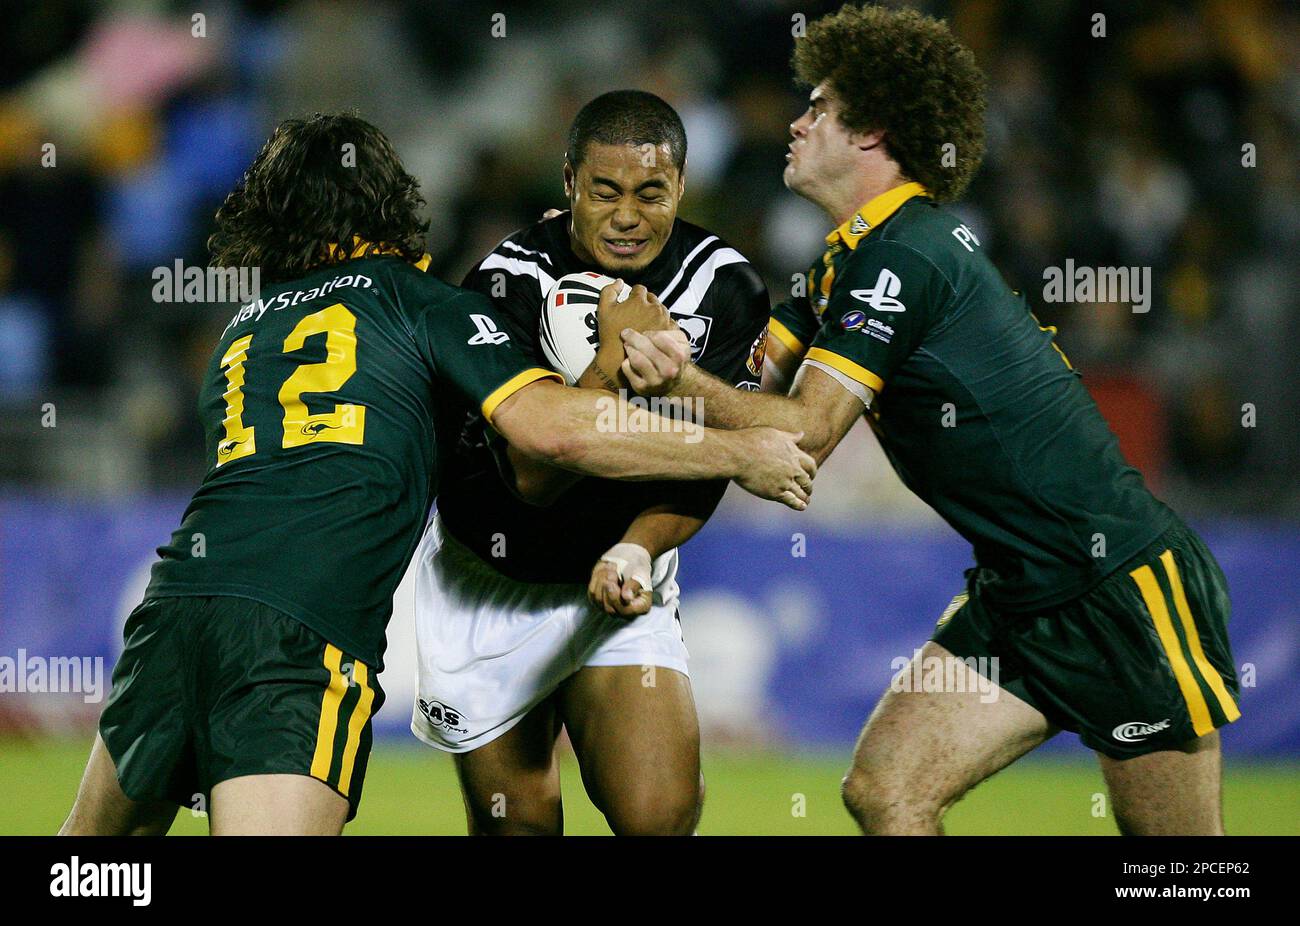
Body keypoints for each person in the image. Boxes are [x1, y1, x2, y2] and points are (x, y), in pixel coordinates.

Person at [58, 112, 815, 836]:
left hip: (175, 606)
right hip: (300, 629)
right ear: (388, 203)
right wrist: (737, 449)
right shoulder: (420, 301)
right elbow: (551, 435)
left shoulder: (244, 329)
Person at [614, 4, 1240, 835]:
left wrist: (675, 379)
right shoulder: (846, 258)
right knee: (886, 793)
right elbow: (744, 375)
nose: (796, 123)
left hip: (1116, 585)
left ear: (872, 131)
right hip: (1019, 592)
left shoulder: (904, 255)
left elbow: (803, 430)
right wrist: (635, 315)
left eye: (822, 109)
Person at [411, 90, 773, 835]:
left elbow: (706, 461)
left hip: (612, 581)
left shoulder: (725, 286)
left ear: (680, 186)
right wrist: (610, 361)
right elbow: (536, 474)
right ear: (570, 182)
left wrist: (638, 548)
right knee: (522, 825)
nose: (627, 216)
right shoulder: (505, 282)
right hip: (490, 581)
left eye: (651, 193)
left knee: (658, 817)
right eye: (605, 191)